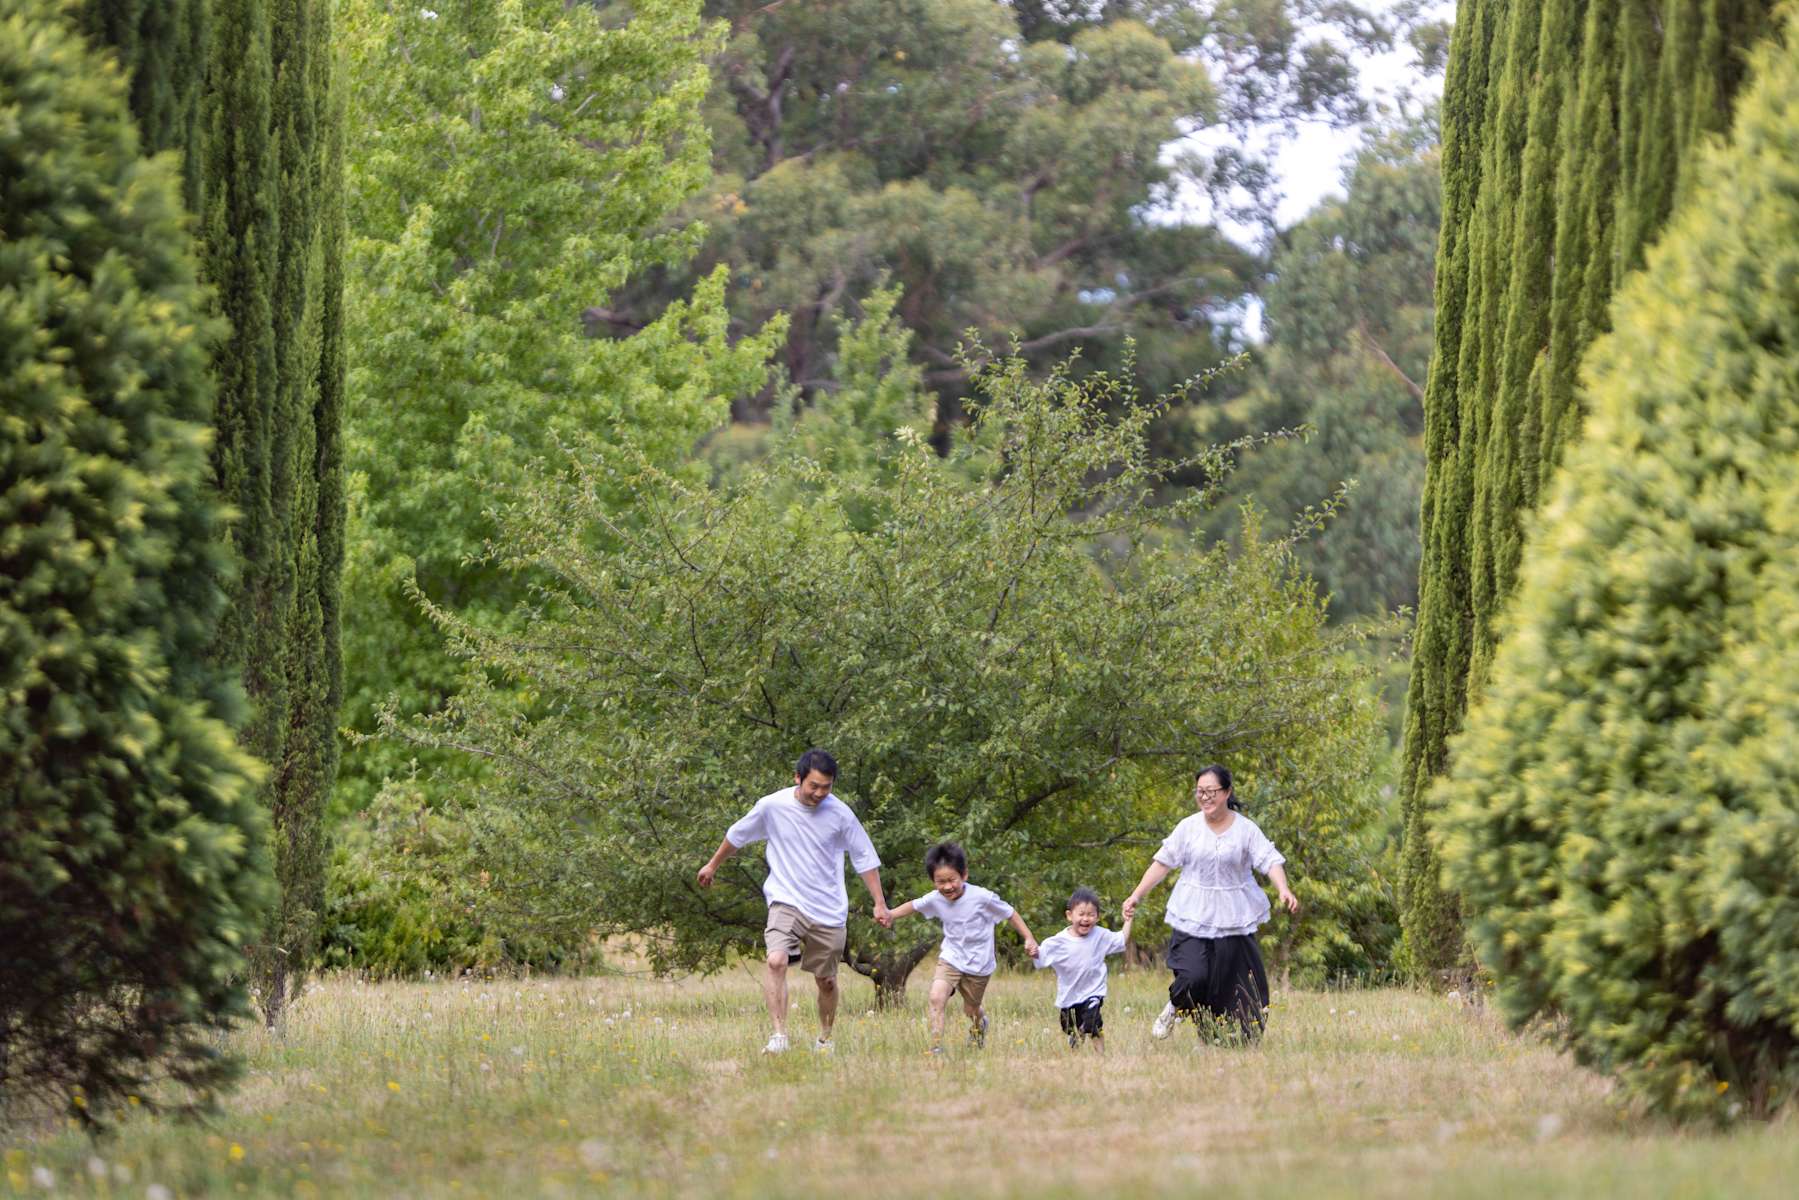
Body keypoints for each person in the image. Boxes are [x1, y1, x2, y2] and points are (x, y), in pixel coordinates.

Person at [696, 749, 889, 1054]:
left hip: (827, 908)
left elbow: (865, 858)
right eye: (814, 785)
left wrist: (879, 902)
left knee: (825, 980)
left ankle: (824, 1040)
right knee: (776, 960)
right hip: (785, 899)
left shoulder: (840, 814)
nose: (820, 793)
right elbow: (737, 835)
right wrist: (712, 865)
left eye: (827, 787)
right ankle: (779, 1037)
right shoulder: (773, 806)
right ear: (797, 778)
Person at [1122, 765, 1299, 1042]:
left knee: (1236, 984)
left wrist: (1283, 889)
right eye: (1200, 792)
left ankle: (1222, 1040)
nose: (1204, 797)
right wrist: (1136, 895)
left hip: (1233, 918)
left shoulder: (1245, 829)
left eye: (1211, 791)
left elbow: (1270, 860)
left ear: (1227, 792)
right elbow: (1162, 863)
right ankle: (1176, 1005)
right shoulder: (1188, 827)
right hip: (1193, 914)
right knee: (1193, 977)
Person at [879, 842, 1038, 1054]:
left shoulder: (982, 897)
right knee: (936, 996)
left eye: (952, 880)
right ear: (933, 881)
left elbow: (1010, 913)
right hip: (951, 957)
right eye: (940, 881)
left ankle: (979, 1024)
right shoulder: (936, 899)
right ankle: (936, 1047)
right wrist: (890, 914)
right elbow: (914, 905)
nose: (947, 887)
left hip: (979, 963)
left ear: (964, 875)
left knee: (970, 1009)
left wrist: (1029, 938)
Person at [1033, 886, 1132, 1051]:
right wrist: (1032, 950)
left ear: (1097, 917)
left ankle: (1101, 1056)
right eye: (1081, 914)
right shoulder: (1059, 942)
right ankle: (1076, 1035)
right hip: (1069, 995)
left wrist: (1128, 919)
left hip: (1093, 992)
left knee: (1093, 1022)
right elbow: (1040, 958)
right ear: (1069, 915)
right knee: (1068, 1026)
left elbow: (1121, 940)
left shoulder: (1100, 935)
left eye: (1091, 914)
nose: (1086, 919)